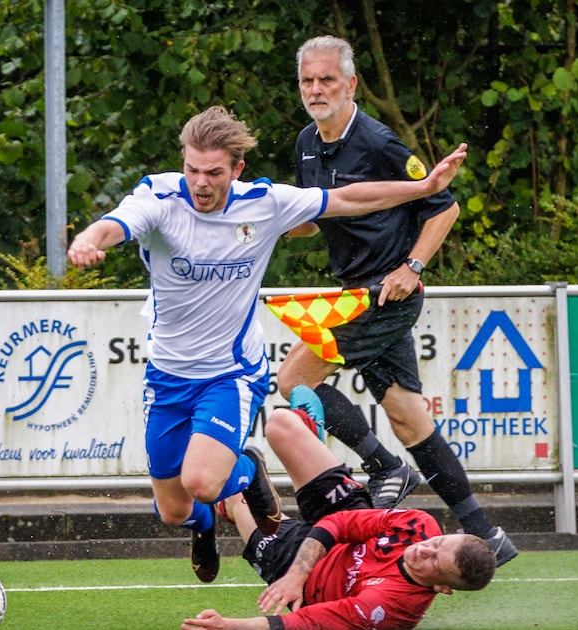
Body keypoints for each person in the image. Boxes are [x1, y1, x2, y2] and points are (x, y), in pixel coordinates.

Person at [67, 105, 470, 583]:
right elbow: (115, 223)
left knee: (200, 480)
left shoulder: (263, 203)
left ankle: (244, 473)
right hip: (168, 374)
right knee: (175, 509)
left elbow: (348, 198)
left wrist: (422, 189)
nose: (200, 182)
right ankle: (209, 521)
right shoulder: (159, 196)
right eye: (192, 169)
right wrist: (90, 240)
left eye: (213, 173)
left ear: (236, 170)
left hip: (231, 372)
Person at [276, 35, 517, 566]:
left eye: (327, 80)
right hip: (353, 293)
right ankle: (486, 533)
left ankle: (384, 467)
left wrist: (412, 267)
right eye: (307, 81)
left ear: (351, 84)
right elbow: (314, 219)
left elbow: (443, 208)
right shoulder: (305, 143)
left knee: (293, 381)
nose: (316, 90)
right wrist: (262, 226)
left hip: (385, 295)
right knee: (409, 416)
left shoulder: (380, 142)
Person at [182, 407, 496, 630]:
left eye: (434, 563)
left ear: (442, 589)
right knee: (279, 422)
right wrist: (296, 576)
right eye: (438, 543)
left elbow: (303, 622)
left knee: (234, 503)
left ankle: (221, 507)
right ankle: (307, 426)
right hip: (341, 520)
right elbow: (339, 524)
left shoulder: (388, 609)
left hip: (306, 579)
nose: (423, 549)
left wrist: (228, 625)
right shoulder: (420, 527)